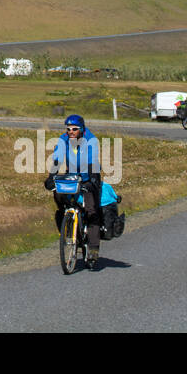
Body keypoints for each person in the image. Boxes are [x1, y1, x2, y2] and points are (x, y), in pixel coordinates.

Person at [43, 114, 104, 267]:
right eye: (68, 129)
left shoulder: (90, 140)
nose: (71, 132)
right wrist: (51, 177)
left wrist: (92, 181)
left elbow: (91, 161)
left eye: (74, 129)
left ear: (82, 129)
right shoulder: (63, 139)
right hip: (73, 175)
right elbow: (57, 159)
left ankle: (93, 249)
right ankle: (68, 226)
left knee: (91, 210)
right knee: (58, 194)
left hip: (90, 174)